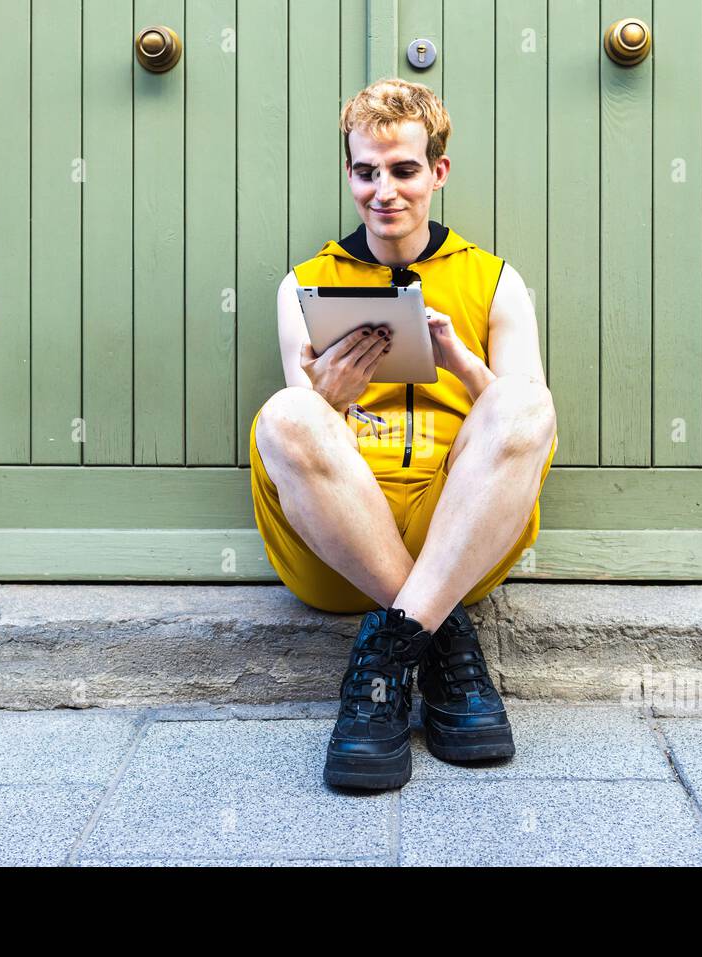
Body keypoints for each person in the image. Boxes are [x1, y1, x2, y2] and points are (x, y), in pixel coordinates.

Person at [249, 78, 558, 790]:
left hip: (462, 534)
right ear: (350, 173)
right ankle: (442, 637)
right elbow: (303, 446)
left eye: (403, 170)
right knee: (287, 414)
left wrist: (462, 364)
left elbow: (527, 430)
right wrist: (327, 399)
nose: (383, 190)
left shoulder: (495, 281)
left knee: (527, 403)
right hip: (339, 548)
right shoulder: (304, 283)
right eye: (366, 171)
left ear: (437, 172)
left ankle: (383, 663)